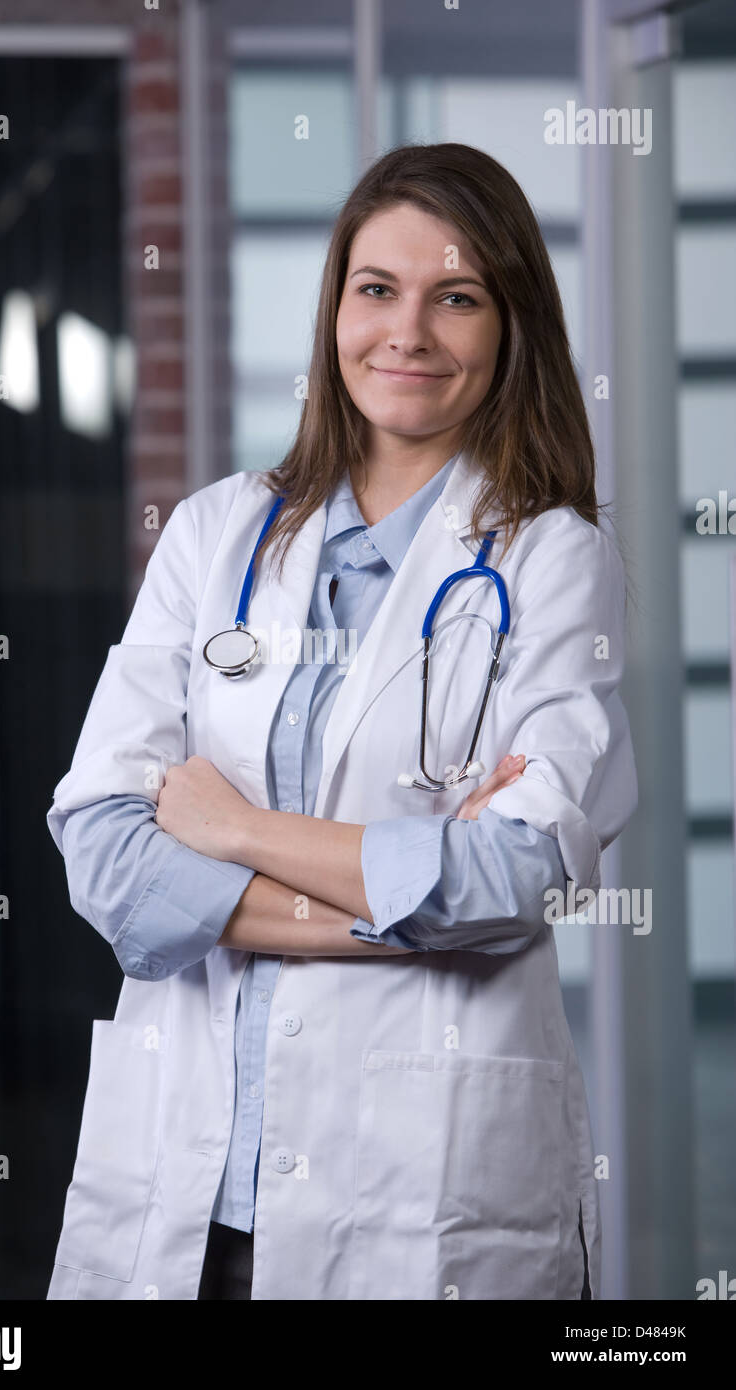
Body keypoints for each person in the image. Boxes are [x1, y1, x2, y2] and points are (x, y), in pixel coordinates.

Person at [45, 142, 637, 1301]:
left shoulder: (553, 561)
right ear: (333, 313)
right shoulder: (214, 535)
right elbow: (103, 851)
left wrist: (231, 828)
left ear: (508, 326)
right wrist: (403, 894)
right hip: (187, 1188)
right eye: (376, 290)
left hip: (421, 1200)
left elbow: (512, 872)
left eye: (453, 297)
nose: (405, 332)